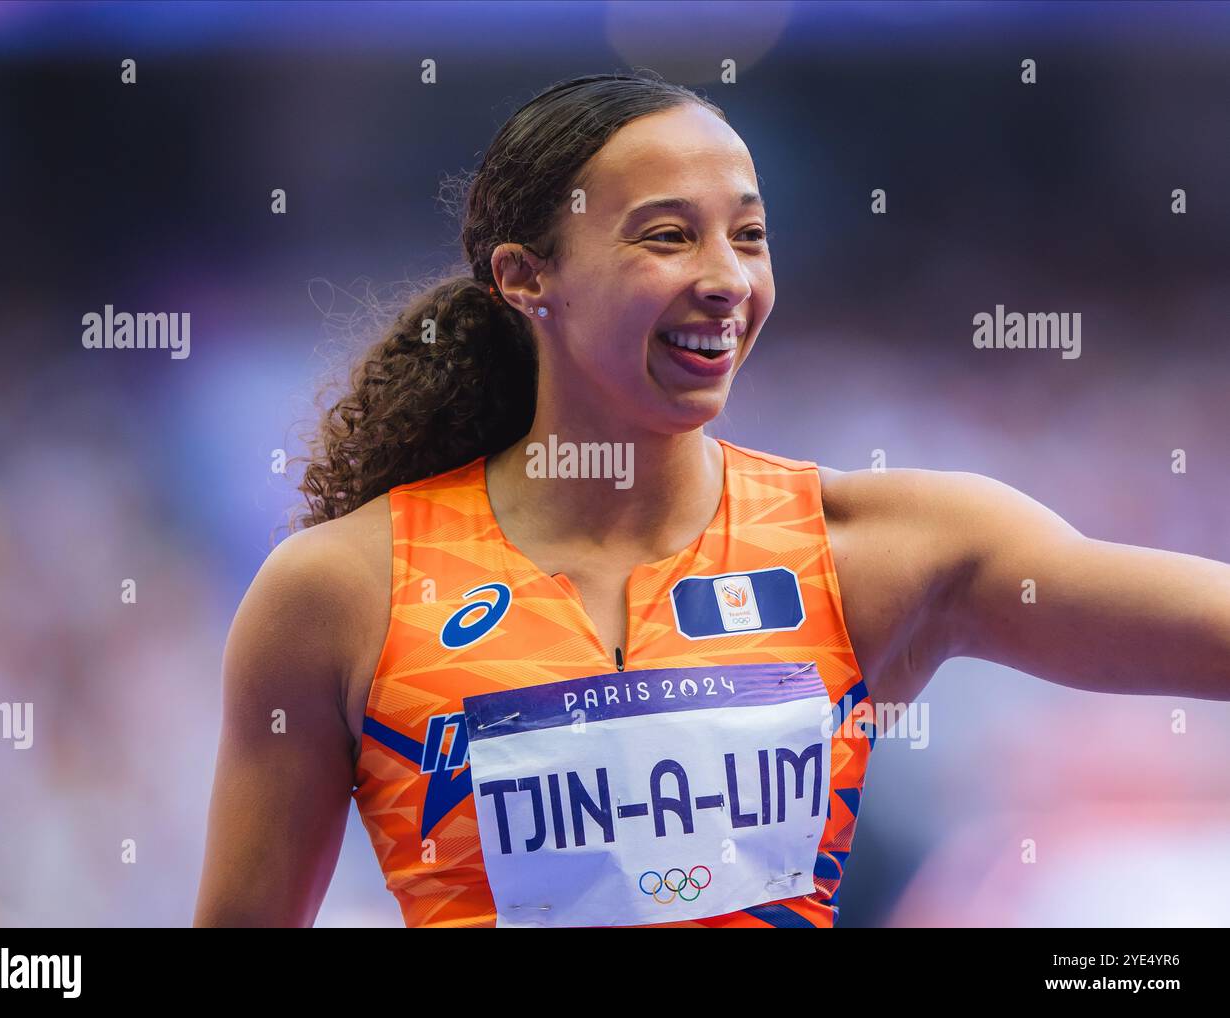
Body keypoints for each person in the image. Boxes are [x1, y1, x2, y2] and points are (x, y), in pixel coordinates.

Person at [193, 72, 1230, 928]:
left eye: (748, 234)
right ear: (524, 277)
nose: (728, 277)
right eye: (666, 236)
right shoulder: (339, 592)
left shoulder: (886, 549)